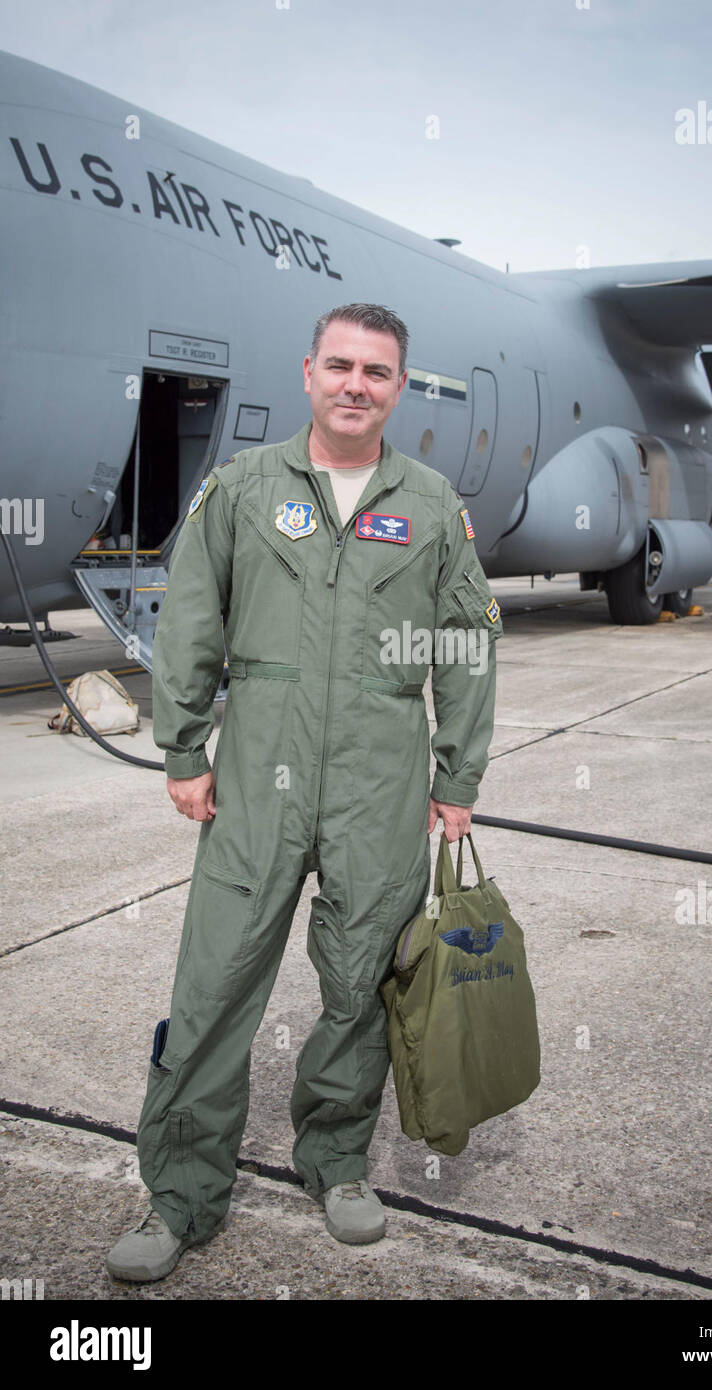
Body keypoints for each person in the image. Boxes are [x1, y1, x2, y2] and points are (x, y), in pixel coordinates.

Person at [106, 302, 504, 1281]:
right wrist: (183, 746)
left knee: (362, 986)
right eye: (341, 365)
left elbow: (465, 643)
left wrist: (458, 773)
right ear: (309, 373)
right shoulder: (242, 490)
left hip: (381, 786)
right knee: (211, 988)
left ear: (399, 388)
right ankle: (182, 1191)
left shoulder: (431, 503)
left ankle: (336, 1162)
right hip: (255, 784)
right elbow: (191, 617)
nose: (356, 385)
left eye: (377, 371)